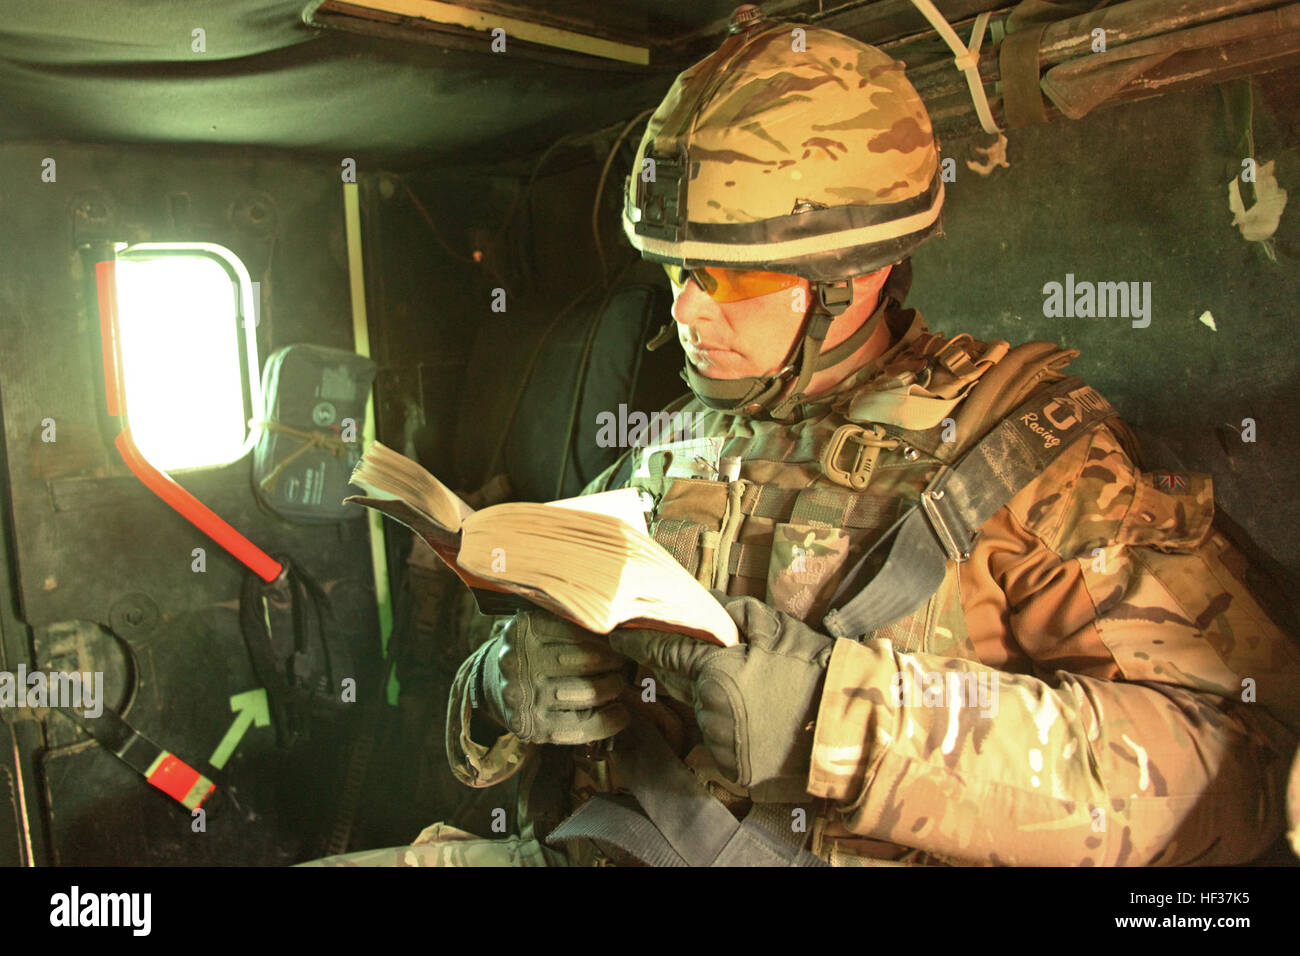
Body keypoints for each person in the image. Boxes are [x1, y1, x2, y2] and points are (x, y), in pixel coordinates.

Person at [309, 13, 1300, 867]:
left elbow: (1246, 762)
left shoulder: (1032, 458)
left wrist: (852, 723)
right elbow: (504, 701)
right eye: (672, 271)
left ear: (853, 274)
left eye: (730, 277)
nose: (687, 311)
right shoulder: (673, 444)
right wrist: (495, 690)